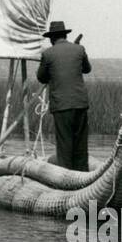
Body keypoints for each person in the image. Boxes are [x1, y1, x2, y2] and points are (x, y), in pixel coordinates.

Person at [37, 20, 91, 171]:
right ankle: (83, 178)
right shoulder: (79, 49)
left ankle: (67, 180)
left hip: (61, 105)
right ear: (65, 35)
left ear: (52, 38)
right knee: (80, 144)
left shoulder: (48, 54)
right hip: (80, 103)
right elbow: (87, 69)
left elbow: (41, 77)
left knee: (65, 145)